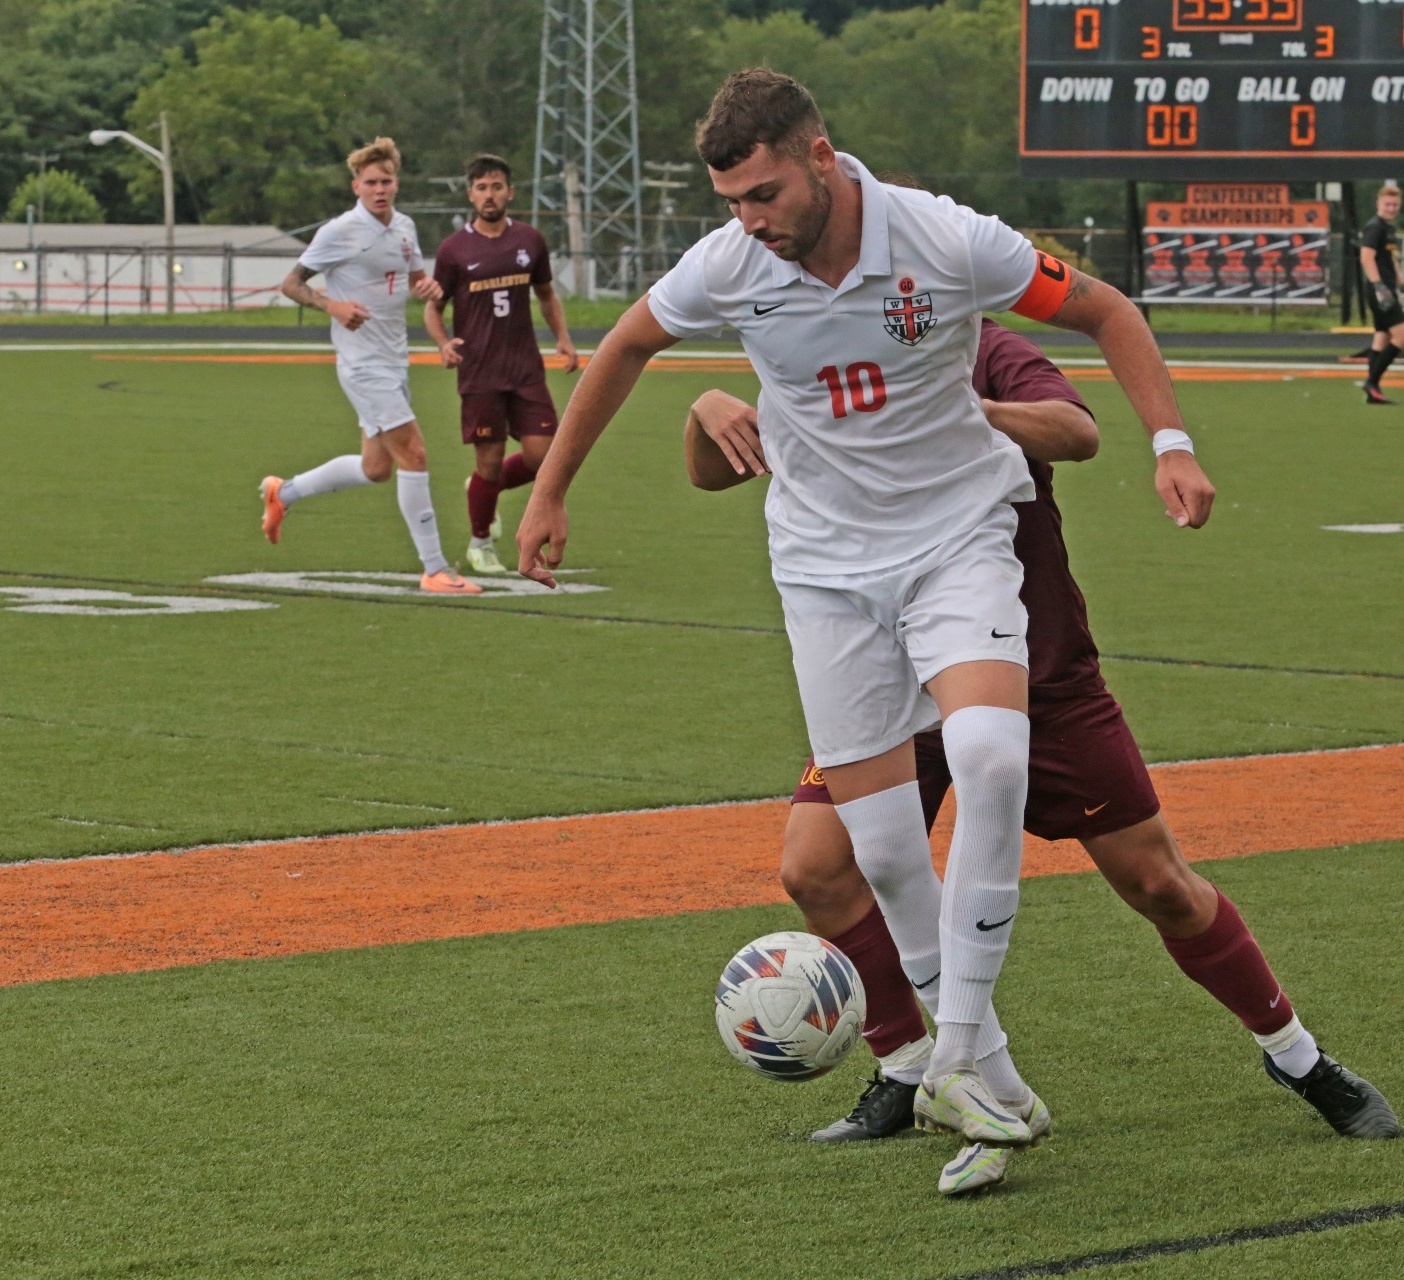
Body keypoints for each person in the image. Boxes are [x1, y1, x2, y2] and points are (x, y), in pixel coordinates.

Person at [517, 69, 1212, 1196]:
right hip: (825, 577)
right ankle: (980, 1068)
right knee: (880, 850)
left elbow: (1108, 311)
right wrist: (549, 494)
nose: (750, 221)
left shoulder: (944, 238)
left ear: (822, 157)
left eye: (764, 193)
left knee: (988, 754)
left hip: (956, 544)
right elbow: (626, 348)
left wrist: (1171, 440)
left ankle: (953, 1049)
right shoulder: (734, 264)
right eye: (733, 200)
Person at [687, 320, 1401, 1197]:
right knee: (817, 870)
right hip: (890, 684)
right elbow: (712, 466)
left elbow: (1076, 431)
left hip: (1039, 677)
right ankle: (916, 1068)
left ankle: (1296, 1057)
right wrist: (707, 402)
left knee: (1160, 885)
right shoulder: (825, 354)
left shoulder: (981, 342)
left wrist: (963, 410)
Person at [261, 138, 479, 596]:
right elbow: (291, 284)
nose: (380, 189)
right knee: (415, 455)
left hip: (394, 360)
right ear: (356, 186)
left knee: (376, 467)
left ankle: (284, 493)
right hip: (362, 365)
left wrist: (429, 287)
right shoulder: (339, 231)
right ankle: (436, 569)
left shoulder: (403, 227)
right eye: (371, 182)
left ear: (396, 183)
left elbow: (415, 277)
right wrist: (333, 305)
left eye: (386, 181)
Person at [424, 154, 580, 576]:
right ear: (470, 193)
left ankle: (481, 492)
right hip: (479, 373)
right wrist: (442, 344)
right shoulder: (454, 250)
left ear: (510, 192)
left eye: (496, 187)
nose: (488, 195)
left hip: (525, 369)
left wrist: (563, 339)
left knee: (543, 457)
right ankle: (480, 543)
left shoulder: (530, 241)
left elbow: (547, 295)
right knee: (489, 463)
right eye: (480, 187)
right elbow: (433, 309)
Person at [1361, 183, 1404, 405]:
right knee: (1403, 336)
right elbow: (1366, 257)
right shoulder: (1375, 227)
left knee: (1381, 338)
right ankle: (1372, 381)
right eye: (1387, 204)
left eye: (1395, 204)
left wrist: (1399, 280)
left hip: (1387, 287)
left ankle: (1373, 390)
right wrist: (1379, 286)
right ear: (1378, 204)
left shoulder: (1388, 228)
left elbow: (1388, 257)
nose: (1391, 208)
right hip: (1379, 289)